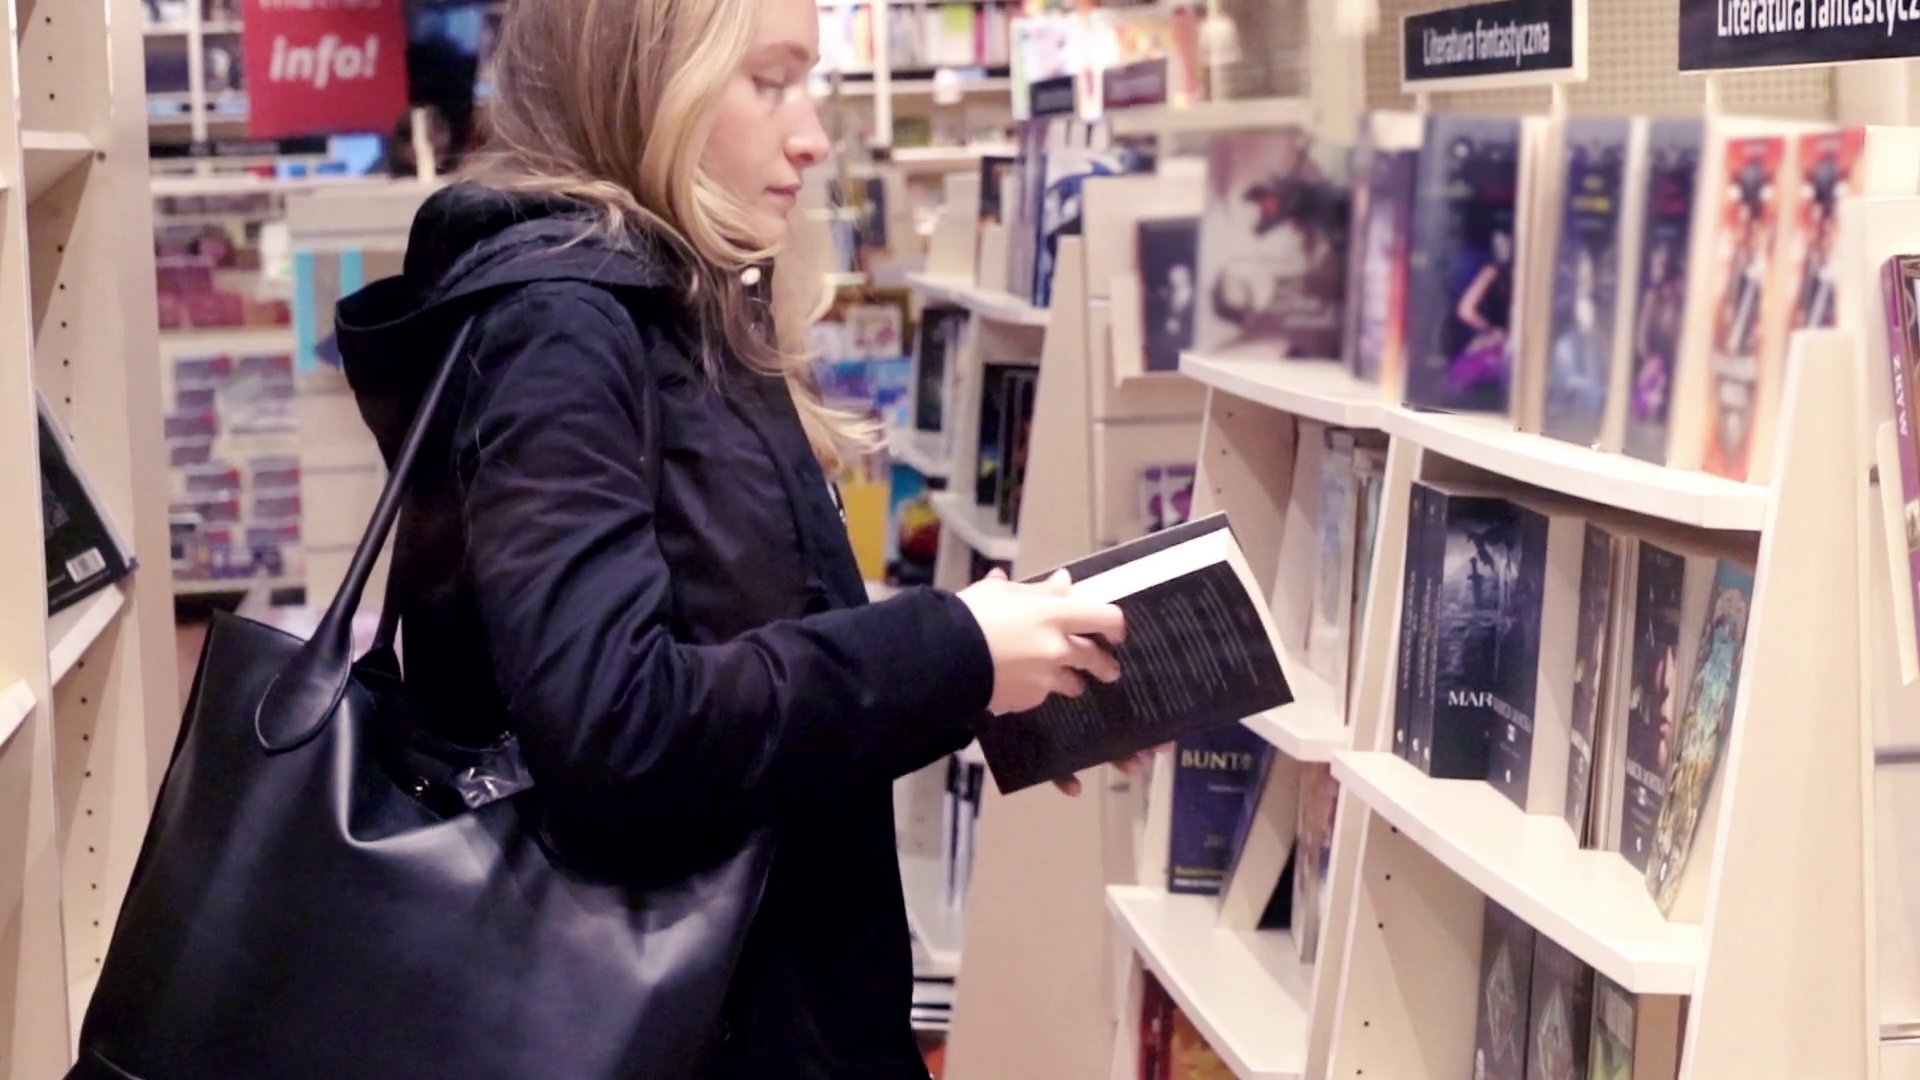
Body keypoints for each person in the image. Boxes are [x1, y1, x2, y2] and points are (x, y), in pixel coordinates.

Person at [331, 0, 1137, 1074]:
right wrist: (954, 648)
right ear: (641, 83)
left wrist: (987, 674)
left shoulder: (668, 299)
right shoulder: (562, 323)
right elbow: (617, 726)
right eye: (769, 81)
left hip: (759, 996)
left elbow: (743, 661)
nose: (810, 136)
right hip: (689, 1021)